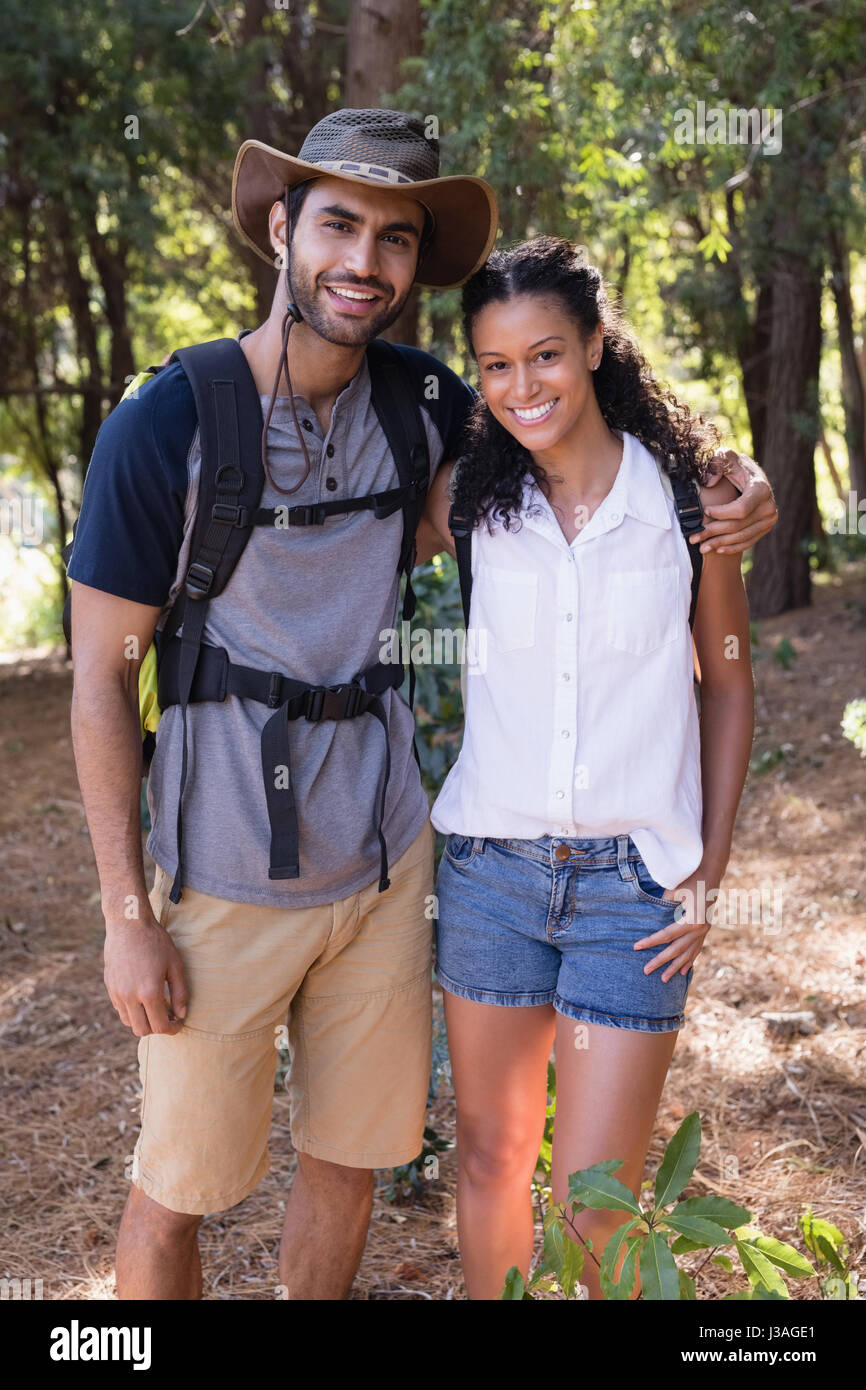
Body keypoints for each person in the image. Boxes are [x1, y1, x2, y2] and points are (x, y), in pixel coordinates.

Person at [67, 105, 775, 1302]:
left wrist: (731, 485)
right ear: (281, 227)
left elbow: (563, 442)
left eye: (394, 241)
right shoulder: (165, 423)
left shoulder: (427, 401)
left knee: (350, 1166)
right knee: (176, 1193)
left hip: (392, 871)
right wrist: (123, 912)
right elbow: (96, 679)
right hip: (222, 876)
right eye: (337, 225)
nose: (363, 263)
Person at [420, 235, 757, 1300]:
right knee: (487, 1161)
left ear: (596, 344)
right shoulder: (467, 502)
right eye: (496, 365)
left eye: (546, 354)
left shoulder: (686, 505)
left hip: (631, 892)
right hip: (488, 873)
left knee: (594, 1202)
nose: (523, 386)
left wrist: (705, 868)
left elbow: (730, 683)